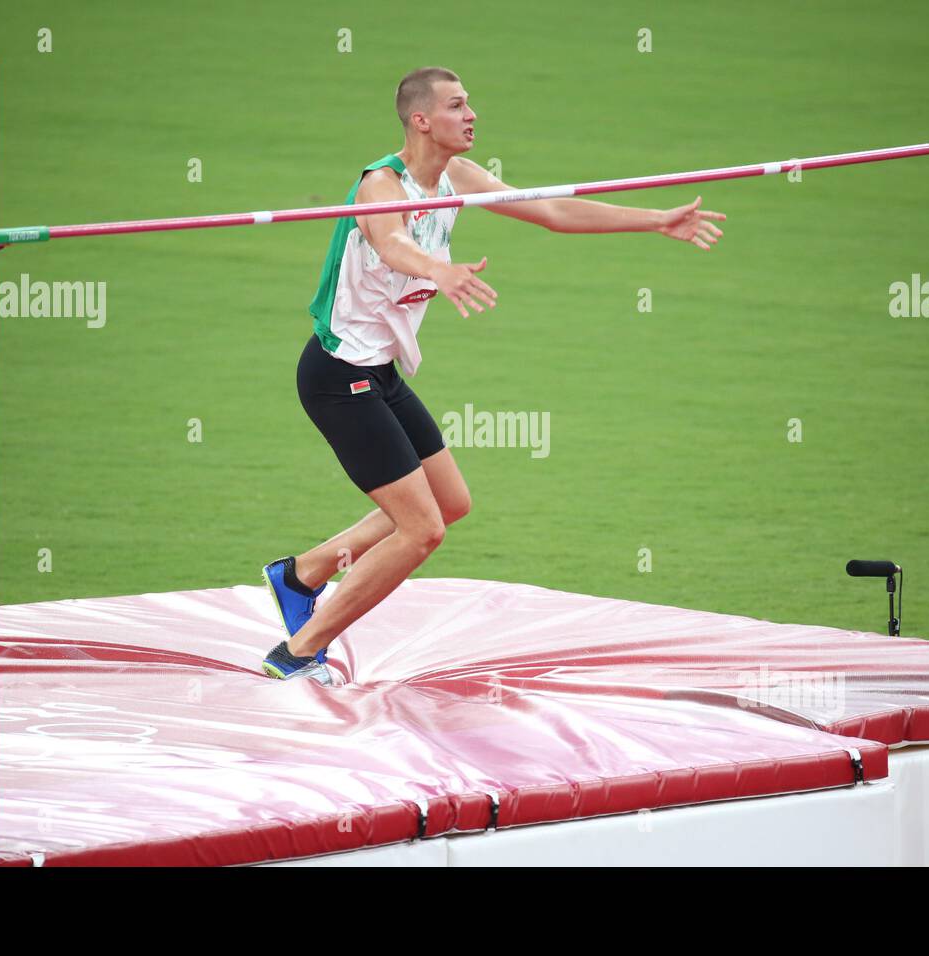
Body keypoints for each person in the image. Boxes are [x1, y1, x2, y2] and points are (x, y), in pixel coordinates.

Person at [262, 66, 726, 683]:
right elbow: (391, 242)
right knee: (421, 530)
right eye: (457, 106)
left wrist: (655, 220)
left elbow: (553, 211)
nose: (472, 114)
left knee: (449, 503)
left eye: (470, 104)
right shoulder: (381, 185)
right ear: (421, 119)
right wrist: (438, 270)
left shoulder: (455, 175)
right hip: (337, 376)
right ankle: (296, 653)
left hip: (380, 373)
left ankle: (300, 575)